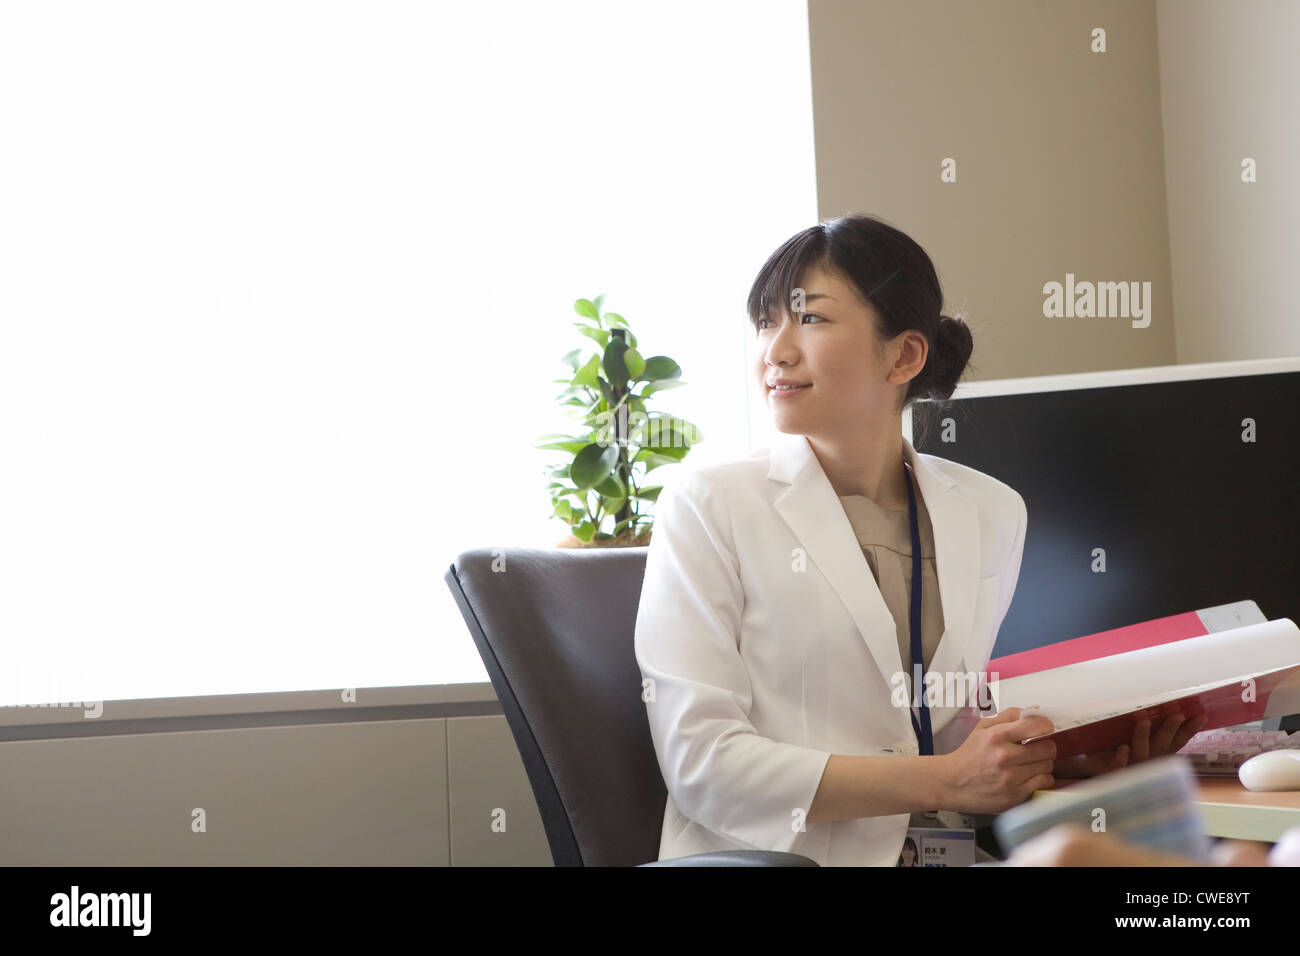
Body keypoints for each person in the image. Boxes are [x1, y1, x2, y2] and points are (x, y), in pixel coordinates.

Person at [633, 214, 1201, 866]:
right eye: (766, 321)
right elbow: (702, 764)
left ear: (903, 355)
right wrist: (950, 778)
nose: (775, 350)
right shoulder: (709, 502)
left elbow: (939, 733)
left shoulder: (990, 511)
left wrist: (1062, 763)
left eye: (809, 319)